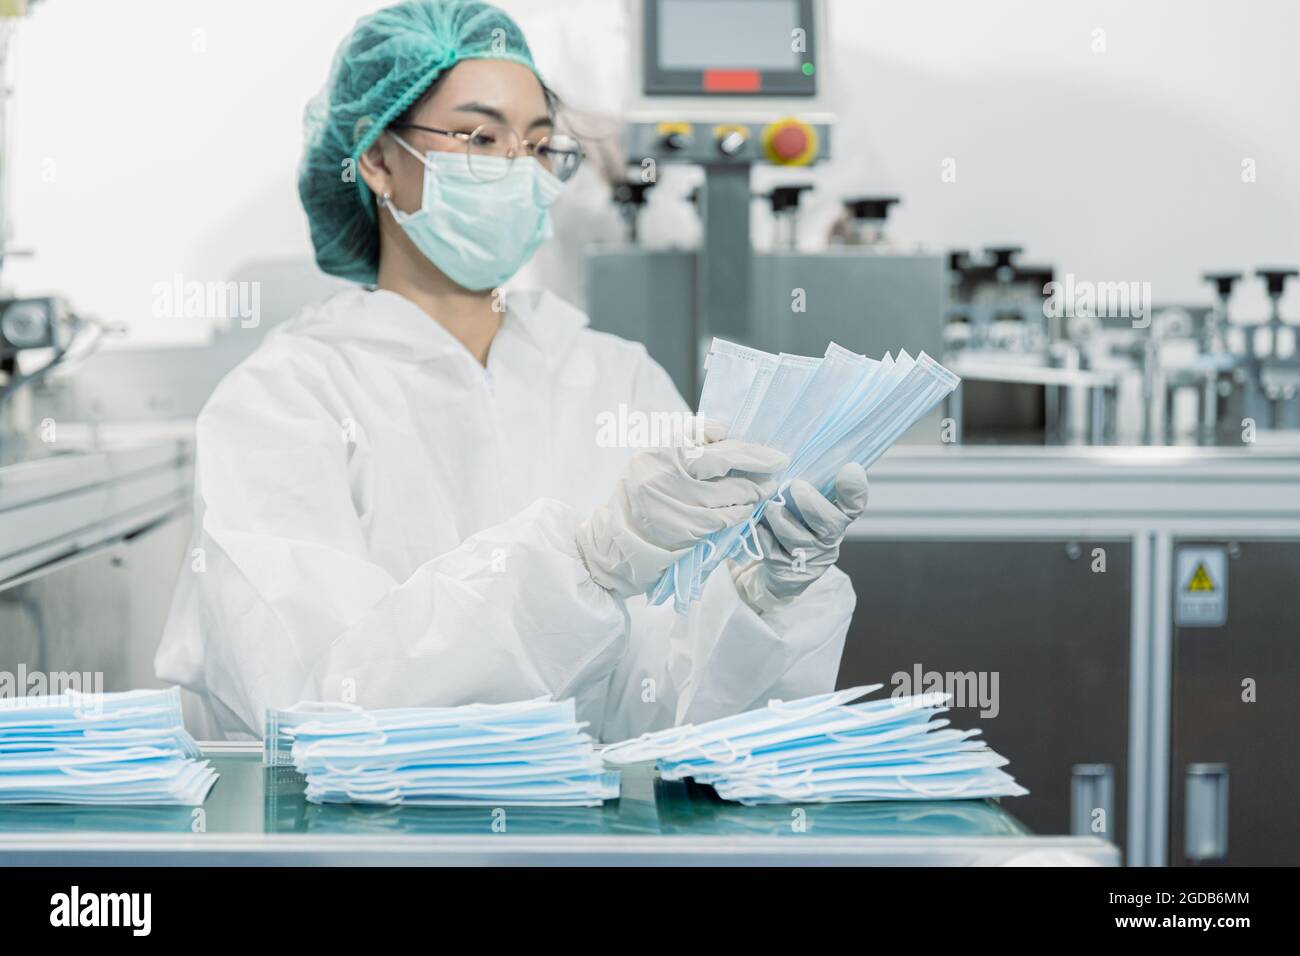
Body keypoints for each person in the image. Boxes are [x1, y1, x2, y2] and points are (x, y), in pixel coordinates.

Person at [155, 0, 868, 741]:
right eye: (479, 136)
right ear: (374, 158)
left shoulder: (615, 378)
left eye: (536, 145)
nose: (517, 171)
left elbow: (666, 715)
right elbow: (315, 703)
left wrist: (761, 601)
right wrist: (587, 565)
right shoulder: (284, 401)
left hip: (588, 845)